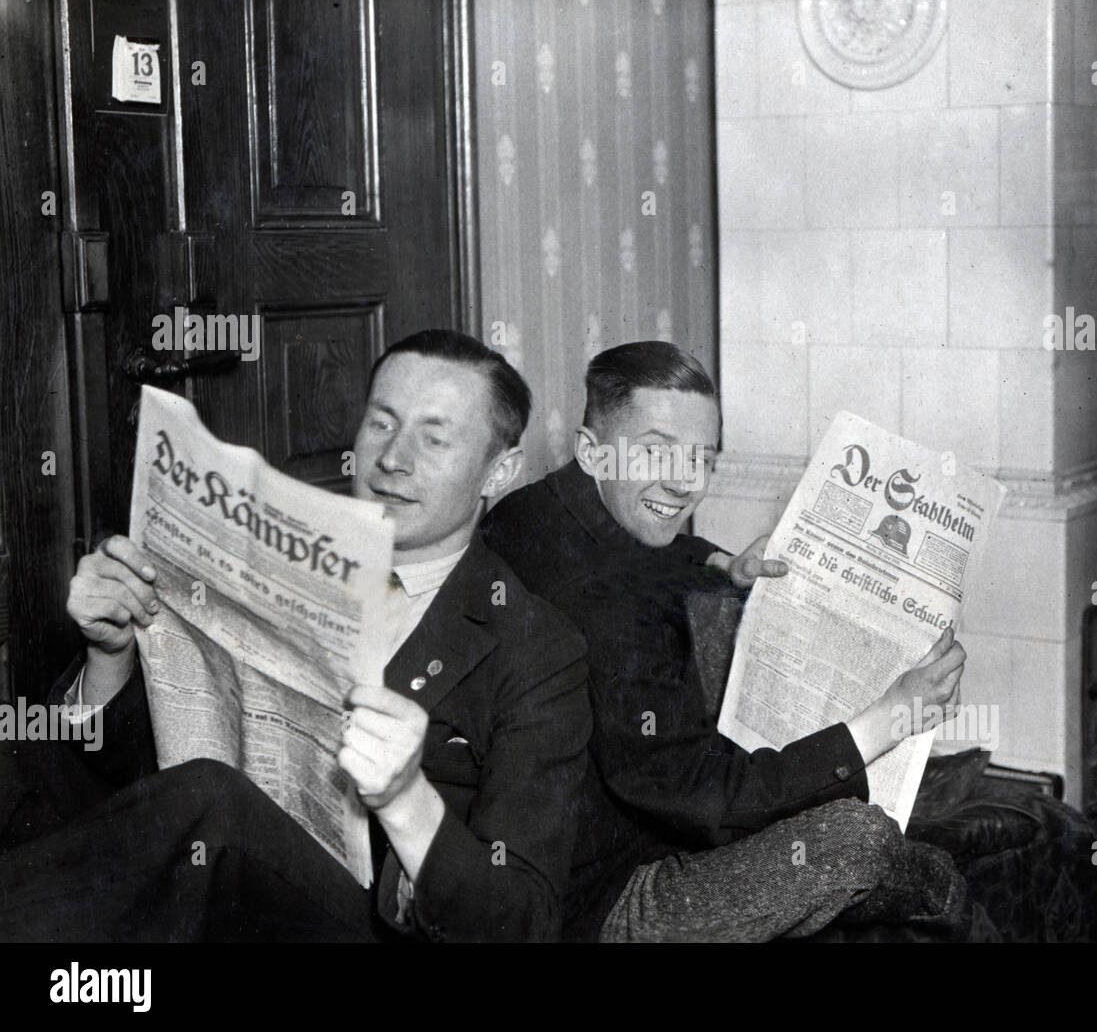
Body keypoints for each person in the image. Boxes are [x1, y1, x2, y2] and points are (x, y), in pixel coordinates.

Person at [0, 329, 592, 943]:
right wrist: (109, 654)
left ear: (500, 470)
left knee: (212, 798)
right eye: (382, 423)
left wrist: (404, 797)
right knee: (17, 751)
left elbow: (525, 921)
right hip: (210, 885)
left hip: (357, 925)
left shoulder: (539, 649)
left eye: (434, 439)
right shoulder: (279, 552)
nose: (393, 459)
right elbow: (139, 794)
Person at [481, 341, 979, 942]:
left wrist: (719, 562)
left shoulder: (528, 511)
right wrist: (886, 721)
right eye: (656, 452)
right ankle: (955, 899)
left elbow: (636, 549)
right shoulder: (605, 606)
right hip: (606, 896)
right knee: (857, 841)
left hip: (589, 829)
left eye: (702, 459)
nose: (684, 482)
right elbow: (704, 804)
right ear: (591, 451)